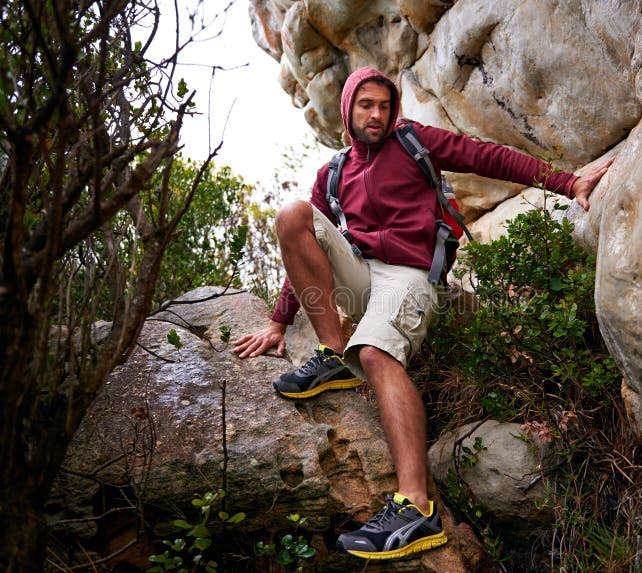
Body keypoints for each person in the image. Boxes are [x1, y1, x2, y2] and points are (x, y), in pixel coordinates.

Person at [234, 66, 612, 560]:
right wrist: (279, 320)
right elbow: (306, 250)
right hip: (360, 277)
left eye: (384, 105)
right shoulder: (332, 173)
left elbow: (488, 157)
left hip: (410, 276)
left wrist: (567, 182)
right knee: (291, 215)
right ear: (347, 109)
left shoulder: (412, 140)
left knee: (374, 354)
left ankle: (417, 507)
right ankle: (329, 352)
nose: (376, 114)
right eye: (365, 105)